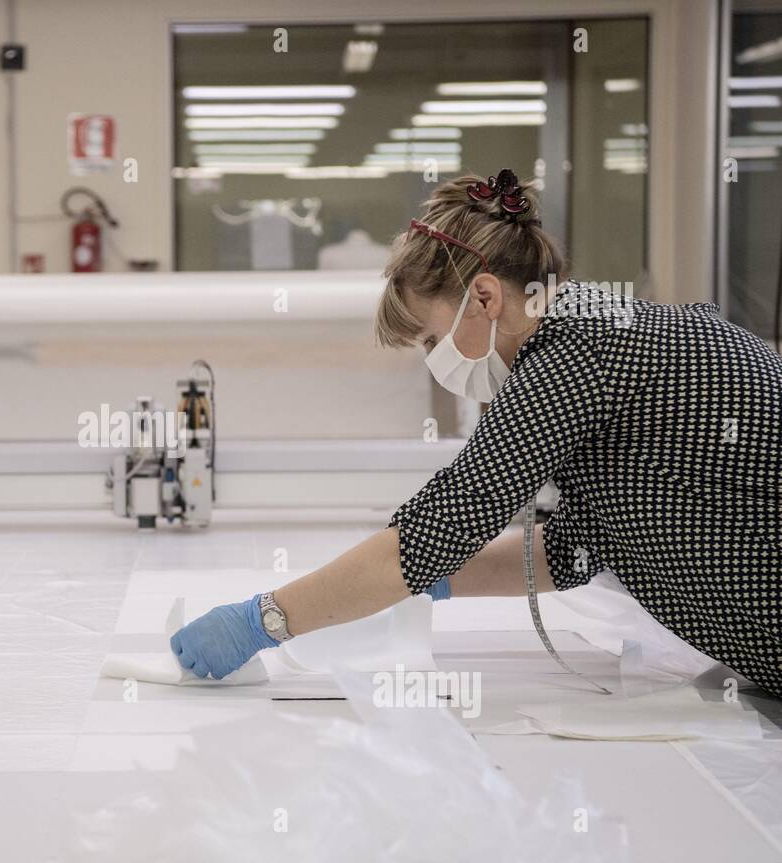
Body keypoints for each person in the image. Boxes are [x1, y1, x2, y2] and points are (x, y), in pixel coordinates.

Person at [171, 169, 782, 696]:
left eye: (431, 339)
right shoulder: (594, 328)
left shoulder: (576, 348)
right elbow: (578, 545)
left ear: (485, 296)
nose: (433, 358)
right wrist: (426, 581)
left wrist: (266, 621)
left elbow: (448, 518)